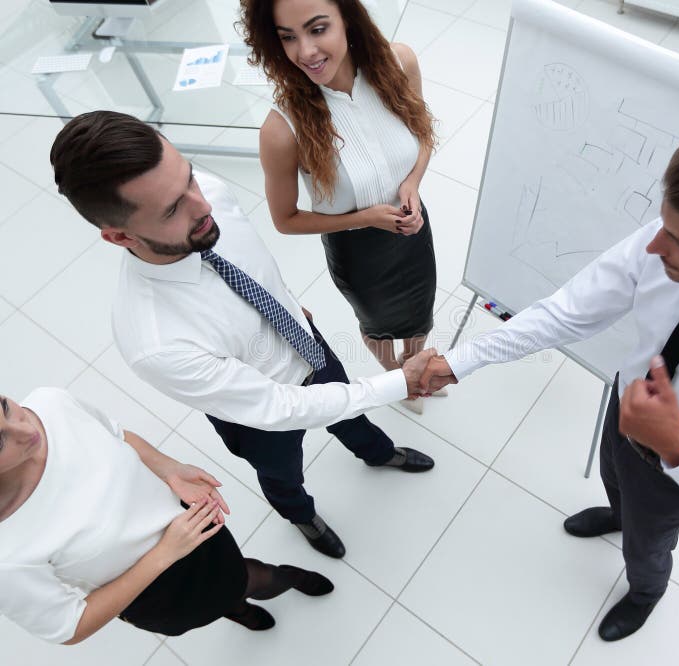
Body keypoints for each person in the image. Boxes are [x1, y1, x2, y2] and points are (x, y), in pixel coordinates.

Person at [420, 123, 679, 640]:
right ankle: (618, 512)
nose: (652, 244)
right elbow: (569, 312)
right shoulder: (667, 235)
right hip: (620, 415)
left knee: (648, 546)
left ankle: (646, 590)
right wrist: (463, 360)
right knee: (615, 483)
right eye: (661, 223)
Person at [50, 110, 436, 561]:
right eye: (173, 208)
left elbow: (251, 265)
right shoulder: (155, 342)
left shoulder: (207, 196)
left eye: (189, 178)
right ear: (119, 237)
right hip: (257, 414)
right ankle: (301, 515)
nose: (203, 203)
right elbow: (277, 408)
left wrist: (288, 305)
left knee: (350, 413)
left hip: (305, 343)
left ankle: (378, 453)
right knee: (282, 472)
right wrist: (397, 383)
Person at [0, 386, 334, 644]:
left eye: (5, 407)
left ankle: (284, 578)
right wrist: (163, 554)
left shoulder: (50, 404)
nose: (26, 431)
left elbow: (116, 435)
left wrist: (169, 469)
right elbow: (70, 627)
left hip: (193, 533)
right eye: (0, 442)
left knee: (250, 577)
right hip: (151, 594)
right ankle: (236, 609)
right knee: (214, 604)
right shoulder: (7, 555)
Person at [241, 0, 440, 414]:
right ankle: (398, 380)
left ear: (348, 20)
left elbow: (422, 133)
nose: (306, 52)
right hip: (360, 253)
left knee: (421, 312)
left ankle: (417, 364)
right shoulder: (282, 129)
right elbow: (285, 219)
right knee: (379, 326)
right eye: (288, 38)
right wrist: (365, 217)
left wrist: (412, 183)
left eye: (317, 29)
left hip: (412, 224)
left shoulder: (398, 63)